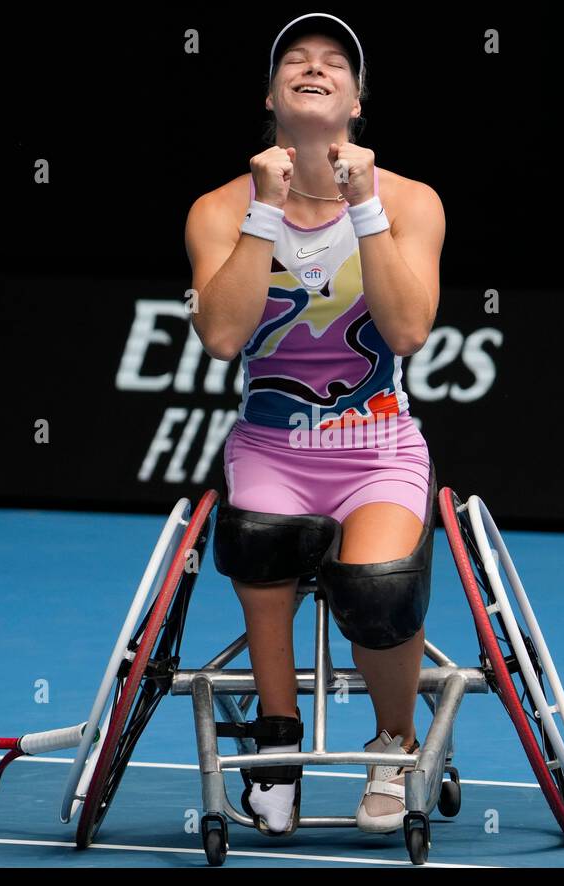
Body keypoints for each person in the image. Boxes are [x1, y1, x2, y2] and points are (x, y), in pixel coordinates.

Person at [184, 13, 446, 835]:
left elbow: (406, 333)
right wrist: (265, 212)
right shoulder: (219, 209)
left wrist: (363, 208)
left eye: (336, 63)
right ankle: (277, 744)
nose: (315, 67)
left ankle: (395, 741)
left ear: (357, 101)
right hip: (273, 451)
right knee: (258, 537)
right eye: (295, 60)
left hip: (377, 453)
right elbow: (223, 337)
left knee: (374, 589)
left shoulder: (410, 202)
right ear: (271, 95)